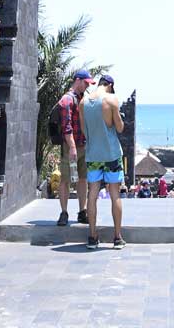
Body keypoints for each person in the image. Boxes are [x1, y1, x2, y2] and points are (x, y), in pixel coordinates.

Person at [82, 73, 126, 250]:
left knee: (92, 195)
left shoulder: (83, 103)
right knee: (114, 194)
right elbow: (120, 128)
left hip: (93, 155)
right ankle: (117, 238)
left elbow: (85, 131)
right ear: (109, 85)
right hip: (112, 155)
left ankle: (92, 237)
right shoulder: (111, 100)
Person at [56, 69, 94, 226]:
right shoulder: (67, 100)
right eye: (85, 83)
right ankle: (64, 212)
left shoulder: (82, 99)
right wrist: (72, 147)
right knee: (65, 180)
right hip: (70, 146)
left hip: (84, 145)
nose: (87, 86)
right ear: (77, 80)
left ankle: (82, 211)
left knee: (83, 179)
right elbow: (67, 127)